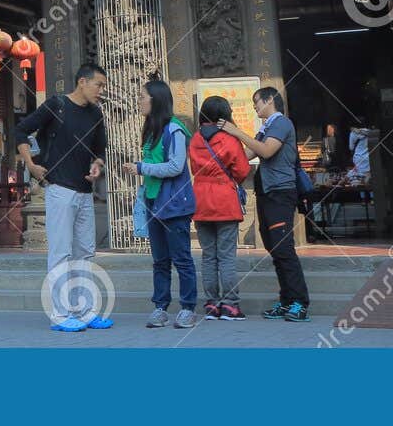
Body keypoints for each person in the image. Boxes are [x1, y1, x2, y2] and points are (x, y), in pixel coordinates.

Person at [16, 62, 110, 332]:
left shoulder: (96, 113)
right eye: (98, 85)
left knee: (86, 253)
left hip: (84, 192)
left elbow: (99, 149)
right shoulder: (55, 106)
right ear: (82, 82)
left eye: (103, 86)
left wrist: (97, 166)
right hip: (59, 189)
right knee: (60, 252)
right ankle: (59, 314)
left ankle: (86, 311)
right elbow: (21, 130)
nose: (101, 90)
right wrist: (30, 164)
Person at [218, 86, 309, 321]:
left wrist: (237, 132)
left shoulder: (281, 123)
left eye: (256, 101)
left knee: (283, 247)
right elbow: (247, 155)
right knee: (274, 247)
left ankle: (299, 302)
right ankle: (287, 300)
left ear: (270, 100)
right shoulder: (266, 127)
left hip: (281, 192)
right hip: (267, 192)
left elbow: (266, 151)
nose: (254, 106)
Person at [122, 77, 197, 328]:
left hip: (174, 204)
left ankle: (187, 308)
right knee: (160, 260)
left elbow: (176, 166)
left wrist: (141, 167)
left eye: (143, 96)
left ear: (156, 100)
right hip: (153, 202)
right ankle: (161, 307)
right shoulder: (151, 130)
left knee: (182, 258)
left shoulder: (174, 129)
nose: (140, 101)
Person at [190, 95, 251, 321]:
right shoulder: (229, 139)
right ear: (225, 114)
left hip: (201, 200)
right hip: (224, 200)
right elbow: (243, 171)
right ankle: (231, 306)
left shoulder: (195, 138)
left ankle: (211, 305)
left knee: (208, 256)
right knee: (226, 257)